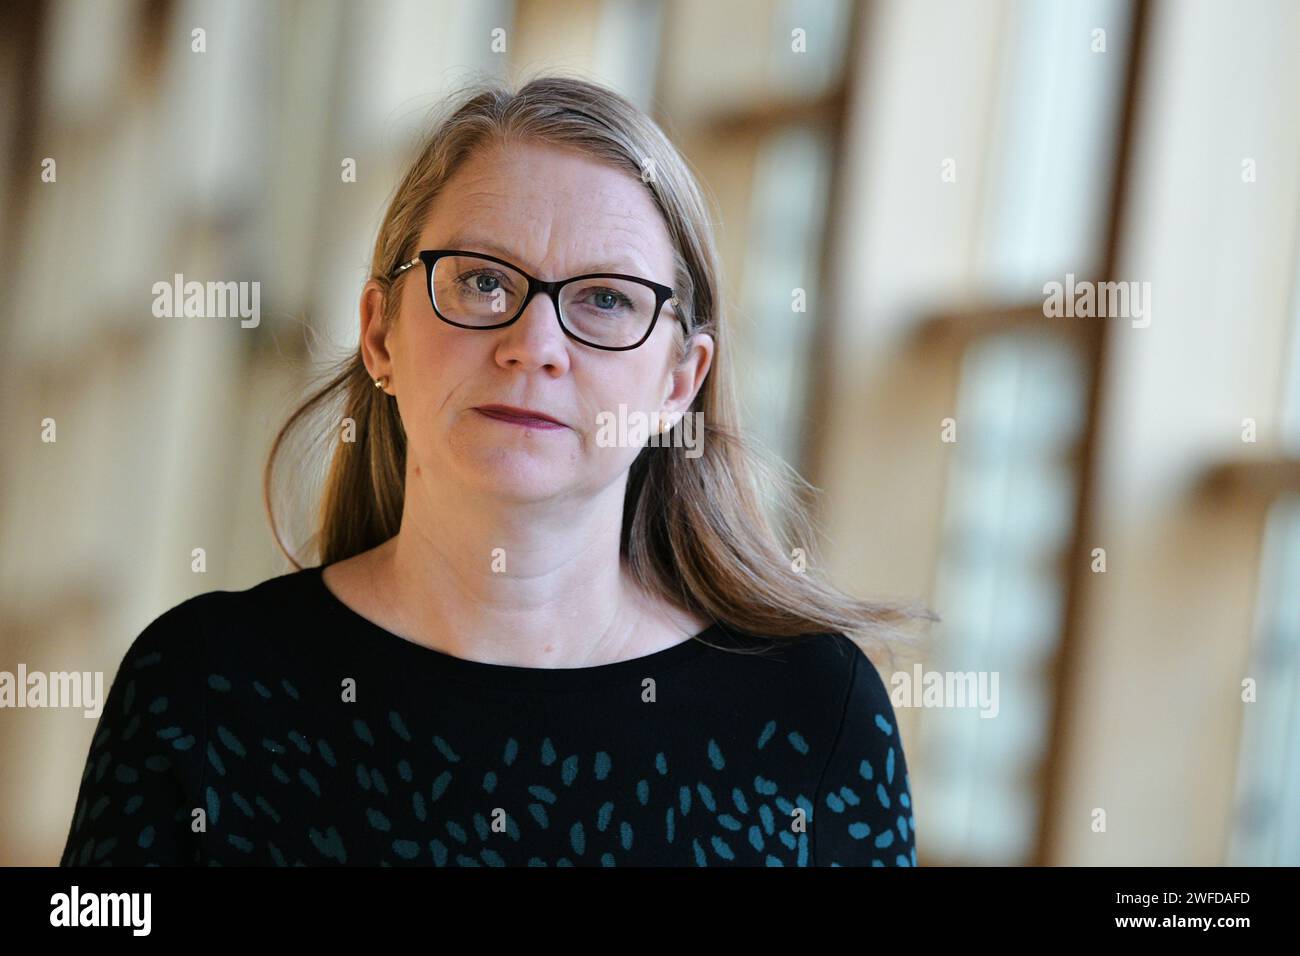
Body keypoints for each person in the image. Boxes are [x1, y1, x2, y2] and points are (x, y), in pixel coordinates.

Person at [59, 74, 931, 867]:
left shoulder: (814, 718)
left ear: (679, 380)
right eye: (480, 281)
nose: (533, 346)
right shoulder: (200, 685)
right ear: (379, 334)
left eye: (605, 299)